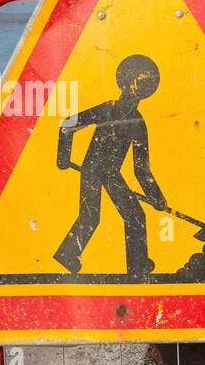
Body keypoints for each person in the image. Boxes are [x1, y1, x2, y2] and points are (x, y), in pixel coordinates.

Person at [53, 54, 166, 276]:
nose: (140, 89)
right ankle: (68, 254)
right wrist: (62, 158)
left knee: (134, 215)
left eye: (146, 85)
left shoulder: (138, 122)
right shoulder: (107, 108)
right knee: (90, 217)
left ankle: (136, 266)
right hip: (93, 169)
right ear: (124, 82)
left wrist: (156, 197)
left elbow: (140, 168)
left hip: (111, 173)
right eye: (138, 82)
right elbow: (67, 125)